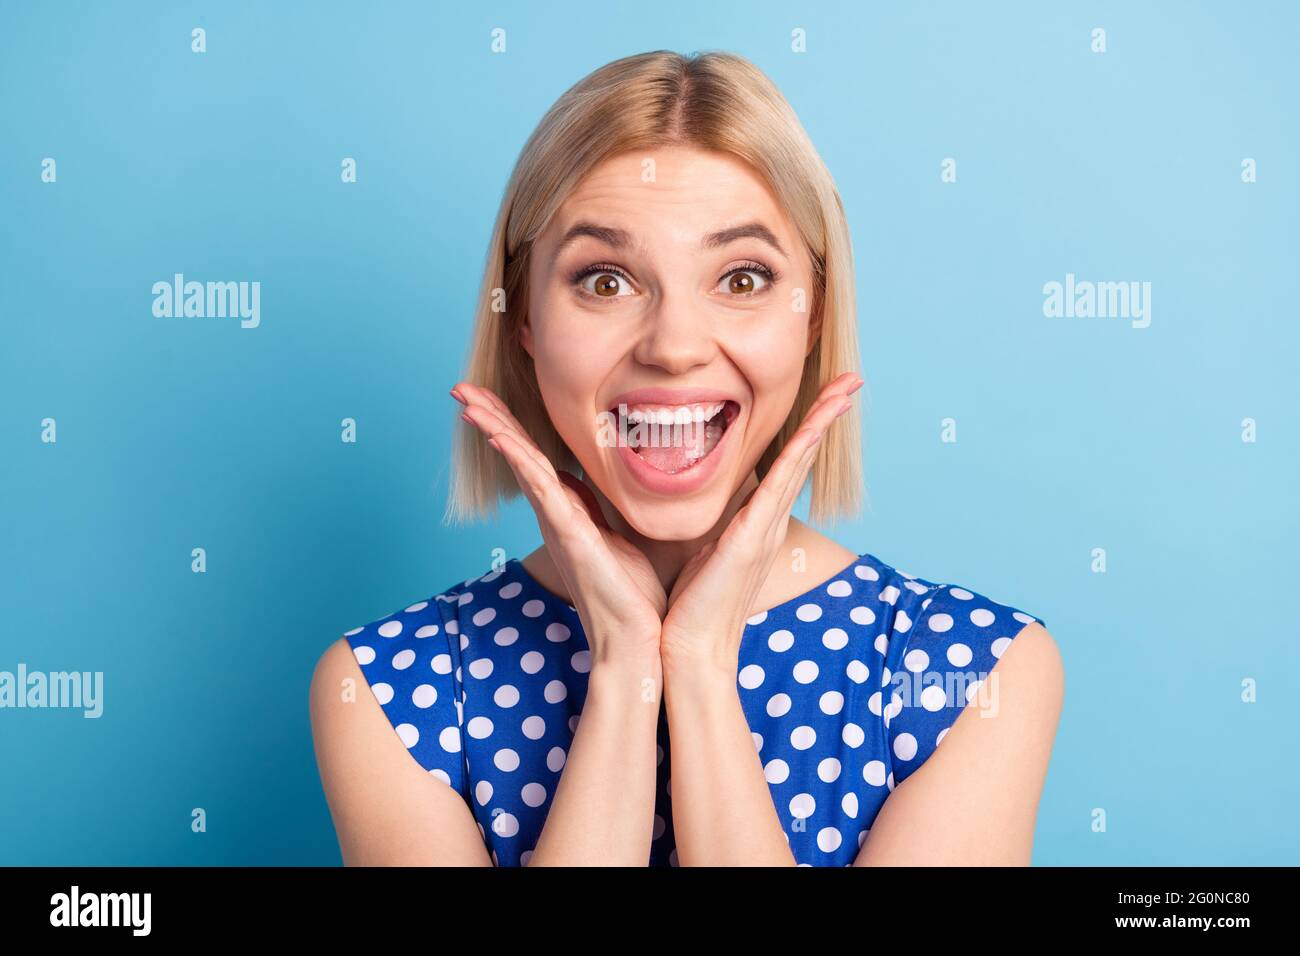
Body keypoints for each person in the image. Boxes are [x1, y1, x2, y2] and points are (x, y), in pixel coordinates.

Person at [310, 49, 1064, 866]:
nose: (674, 347)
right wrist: (624, 667)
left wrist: (699, 665)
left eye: (741, 278)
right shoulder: (382, 690)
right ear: (521, 320)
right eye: (605, 281)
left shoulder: (974, 677)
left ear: (812, 317)